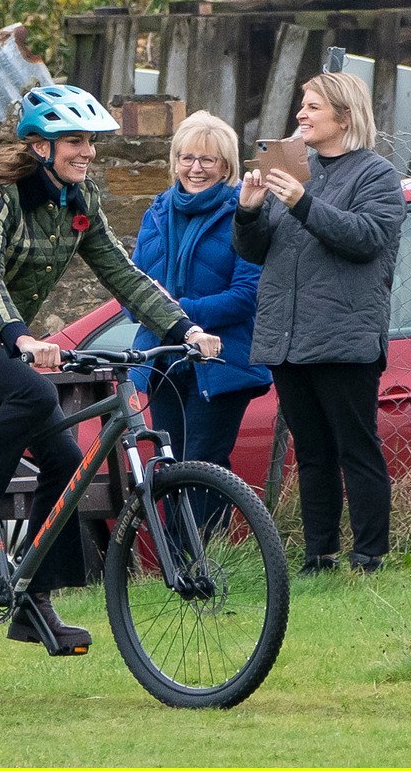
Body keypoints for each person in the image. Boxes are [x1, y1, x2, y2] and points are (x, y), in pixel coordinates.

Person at [0, 85, 221, 652]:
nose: (87, 152)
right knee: (32, 396)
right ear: (40, 147)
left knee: (68, 461)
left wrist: (185, 330)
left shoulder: (80, 201)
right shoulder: (2, 197)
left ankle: (33, 603)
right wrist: (21, 336)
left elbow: (121, 275)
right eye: (74, 141)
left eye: (90, 141)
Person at [232, 71, 406, 575]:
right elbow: (257, 250)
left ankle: (369, 556)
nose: (300, 116)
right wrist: (247, 212)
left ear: (344, 117)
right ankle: (319, 556)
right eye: (301, 107)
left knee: (356, 448)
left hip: (344, 337)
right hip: (288, 338)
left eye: (312, 107)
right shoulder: (294, 170)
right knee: (311, 453)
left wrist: (301, 203)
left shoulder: (375, 175)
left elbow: (366, 238)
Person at [128, 111, 272, 528]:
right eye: (187, 157)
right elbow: (131, 290)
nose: (196, 168)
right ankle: (180, 562)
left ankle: (202, 561)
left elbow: (246, 297)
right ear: (174, 162)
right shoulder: (155, 214)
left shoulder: (241, 215)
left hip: (221, 363)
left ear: (226, 166)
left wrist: (174, 309)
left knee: (204, 463)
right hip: (164, 362)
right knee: (168, 467)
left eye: (207, 160)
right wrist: (157, 312)